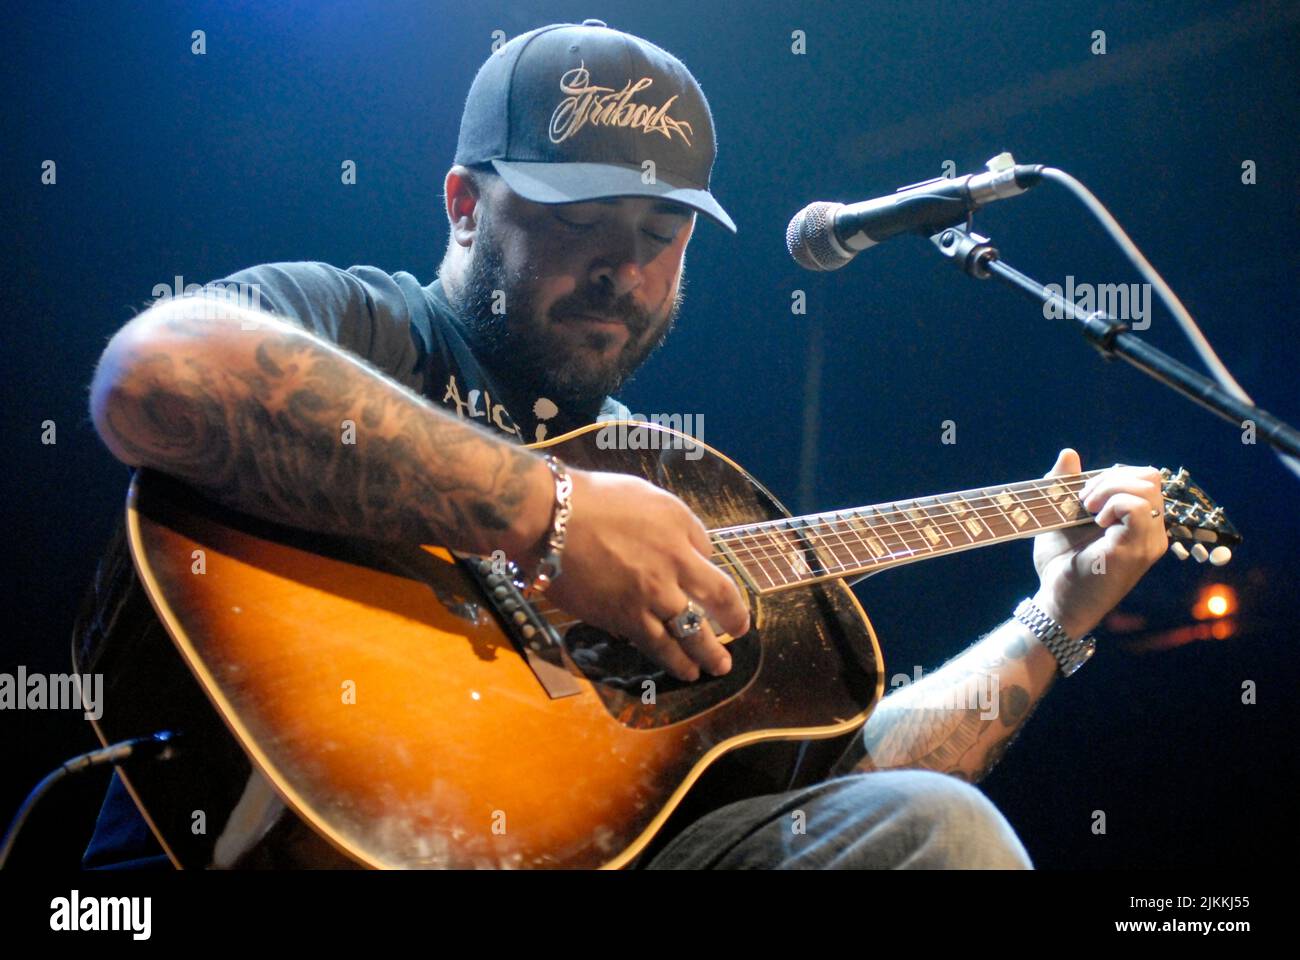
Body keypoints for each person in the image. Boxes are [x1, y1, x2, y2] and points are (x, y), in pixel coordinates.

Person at [80, 20, 1169, 870]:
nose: (624, 269)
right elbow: (154, 380)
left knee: (936, 829)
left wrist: (1056, 617)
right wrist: (547, 515)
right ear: (463, 205)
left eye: (660, 236)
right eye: (576, 218)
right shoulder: (370, 331)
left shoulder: (675, 482)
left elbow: (867, 807)